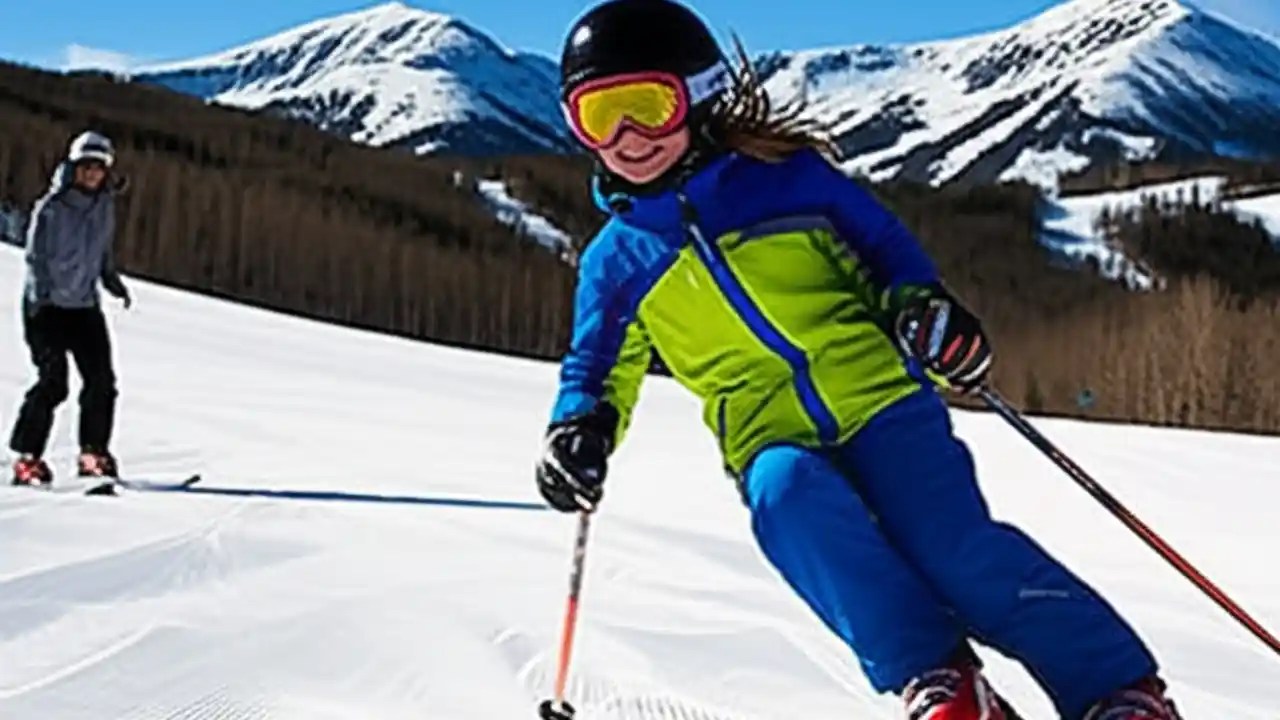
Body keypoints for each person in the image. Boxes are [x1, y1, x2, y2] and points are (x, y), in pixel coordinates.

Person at [534, 2, 1182, 719]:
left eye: (646, 108)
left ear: (701, 93)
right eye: (598, 117)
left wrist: (922, 313)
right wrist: (580, 427)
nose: (625, 139)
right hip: (765, 432)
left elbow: (888, 254)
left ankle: (1115, 688)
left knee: (954, 551)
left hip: (883, 401)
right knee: (789, 504)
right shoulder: (616, 262)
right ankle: (943, 681)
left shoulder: (789, 183)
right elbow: (594, 370)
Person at [9, 131, 132, 487]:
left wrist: (111, 280)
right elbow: (35, 259)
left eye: (99, 167)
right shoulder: (51, 207)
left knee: (102, 381)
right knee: (53, 383)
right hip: (45, 307)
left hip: (84, 308)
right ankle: (27, 458)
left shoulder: (105, 205)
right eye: (86, 166)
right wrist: (42, 301)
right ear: (73, 167)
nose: (92, 174)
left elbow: (102, 252)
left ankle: (93, 453)